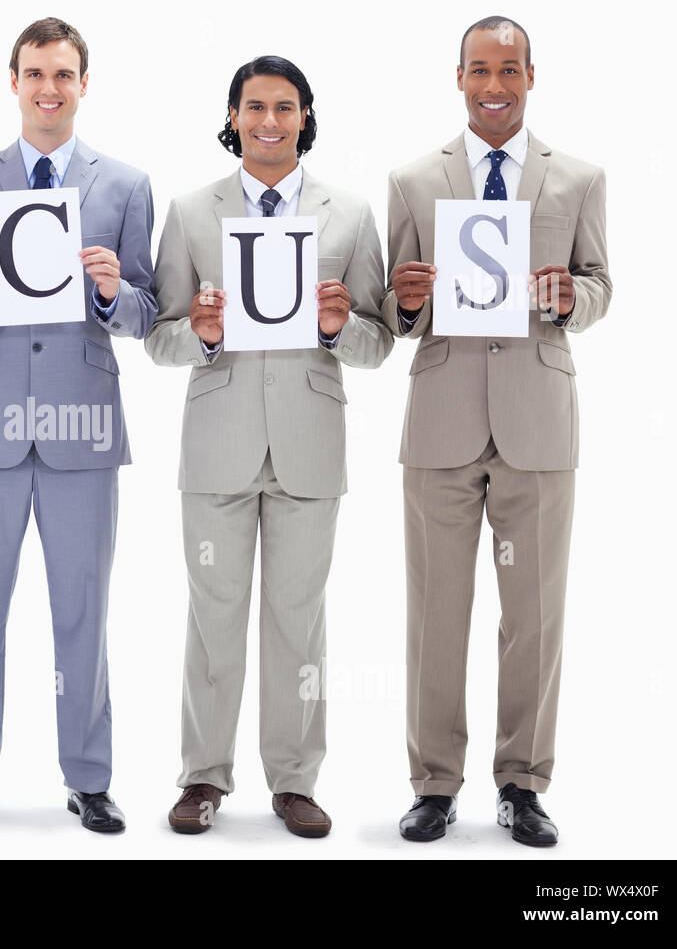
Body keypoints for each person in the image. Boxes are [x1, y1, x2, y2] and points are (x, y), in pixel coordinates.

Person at [0, 17, 156, 832]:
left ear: (84, 84)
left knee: (82, 606)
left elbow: (146, 312)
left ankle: (89, 777)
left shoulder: (124, 186)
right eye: (34, 74)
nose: (48, 89)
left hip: (82, 424)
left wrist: (108, 291)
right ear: (12, 82)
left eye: (62, 75)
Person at [381, 16, 611, 846]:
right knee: (435, 616)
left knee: (536, 616)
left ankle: (522, 783)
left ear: (530, 76)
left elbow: (600, 287)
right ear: (459, 77)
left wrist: (567, 299)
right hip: (441, 423)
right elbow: (395, 316)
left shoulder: (577, 179)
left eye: (508, 69)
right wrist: (406, 301)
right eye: (479, 69)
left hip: (538, 425)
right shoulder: (413, 181)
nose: (494, 85)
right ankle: (434, 784)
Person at [148, 56, 392, 836]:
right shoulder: (191, 211)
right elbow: (158, 338)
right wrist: (201, 335)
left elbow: (379, 342)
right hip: (218, 442)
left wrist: (335, 326)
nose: (269, 121)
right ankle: (202, 778)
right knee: (212, 616)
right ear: (233, 115)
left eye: (285, 107)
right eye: (255, 107)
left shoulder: (348, 213)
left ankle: (293, 780)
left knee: (299, 619)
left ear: (305, 116)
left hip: (309, 446)